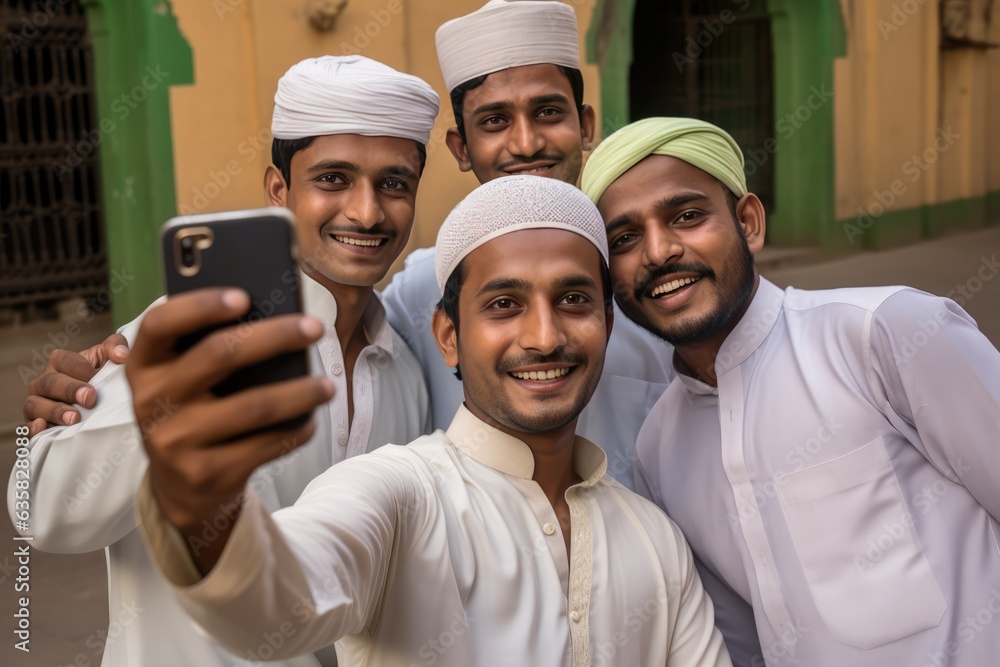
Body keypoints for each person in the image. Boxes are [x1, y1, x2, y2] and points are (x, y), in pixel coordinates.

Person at [23, 0, 675, 490]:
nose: (526, 142)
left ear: (585, 125)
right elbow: (44, 500)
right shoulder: (415, 295)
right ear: (463, 149)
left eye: (549, 112)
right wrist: (91, 410)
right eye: (495, 121)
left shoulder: (656, 284)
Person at [132, 175, 732, 667]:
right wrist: (198, 505)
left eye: (573, 300)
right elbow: (278, 603)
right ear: (449, 336)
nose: (545, 337)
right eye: (504, 305)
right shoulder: (398, 495)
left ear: (606, 321)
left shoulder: (655, 539)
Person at [8, 55, 437, 667]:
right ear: (278, 190)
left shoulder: (407, 374)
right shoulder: (186, 330)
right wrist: (163, 408)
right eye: (333, 179)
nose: (367, 212)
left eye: (394, 183)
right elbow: (39, 508)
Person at [581, 116, 1000, 665]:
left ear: (748, 222)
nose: (658, 253)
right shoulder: (658, 446)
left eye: (686, 216)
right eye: (625, 238)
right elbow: (738, 641)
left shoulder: (882, 332)